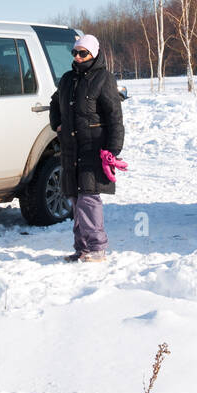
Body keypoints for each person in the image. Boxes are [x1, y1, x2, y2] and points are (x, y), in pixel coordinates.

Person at [49, 34, 124, 262]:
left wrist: (113, 149)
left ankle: (97, 248)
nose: (78, 57)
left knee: (88, 198)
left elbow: (114, 115)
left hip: (94, 147)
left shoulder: (104, 79)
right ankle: (81, 248)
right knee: (74, 196)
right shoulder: (67, 79)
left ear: (94, 53)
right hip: (71, 148)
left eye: (83, 53)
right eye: (75, 52)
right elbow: (55, 102)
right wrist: (57, 124)